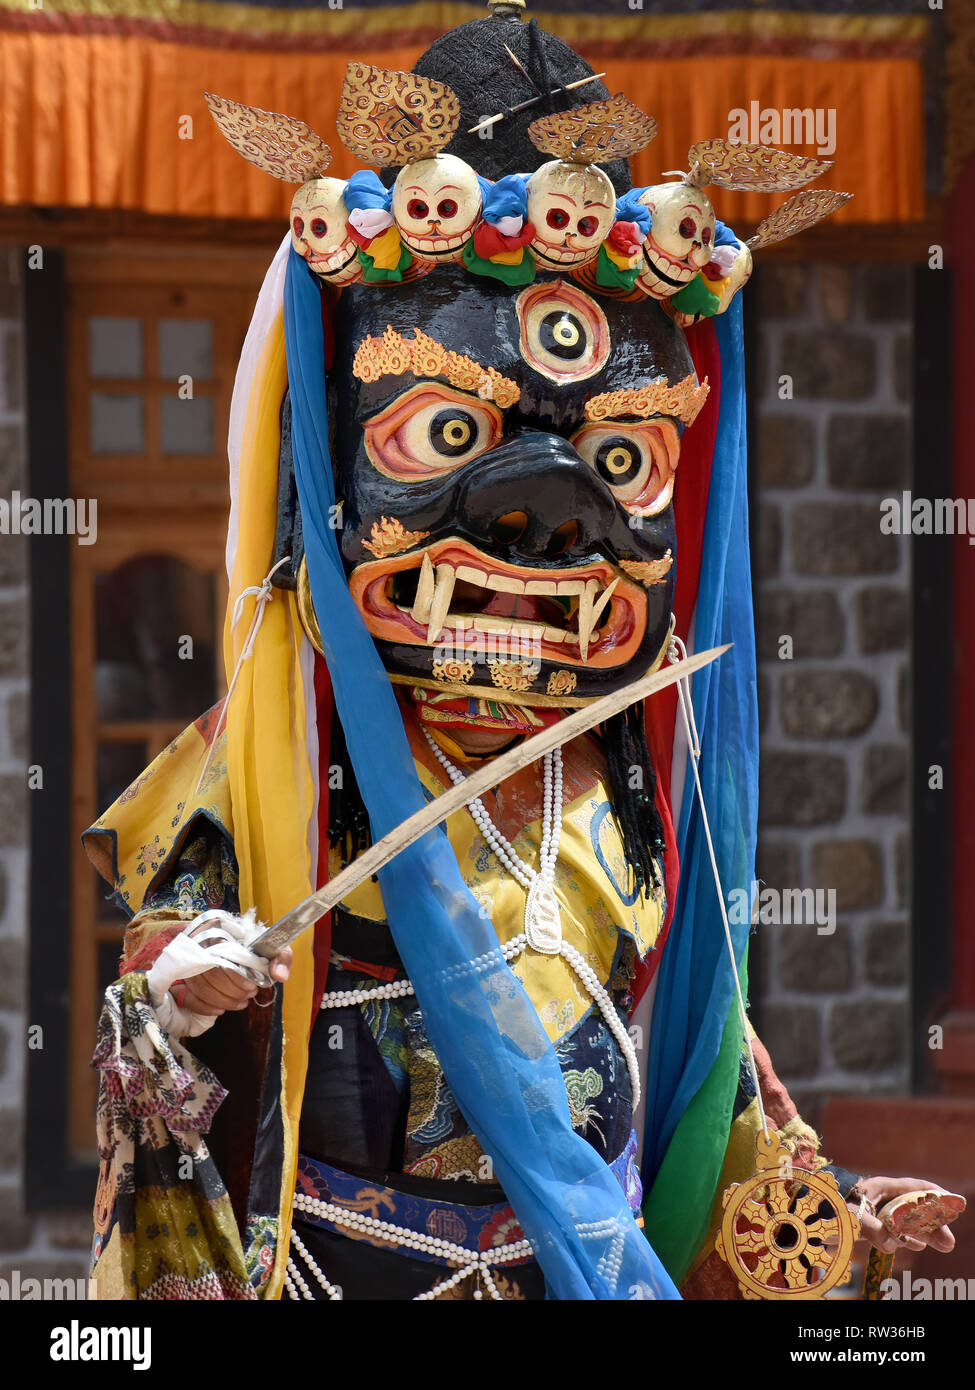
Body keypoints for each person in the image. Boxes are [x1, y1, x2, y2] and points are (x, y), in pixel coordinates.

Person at [84, 5, 958, 1301]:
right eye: (439, 436)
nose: (543, 519)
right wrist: (186, 989)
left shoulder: (633, 785)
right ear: (320, 485)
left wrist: (830, 1213)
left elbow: (710, 1078)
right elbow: (154, 971)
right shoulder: (277, 761)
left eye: (621, 460)